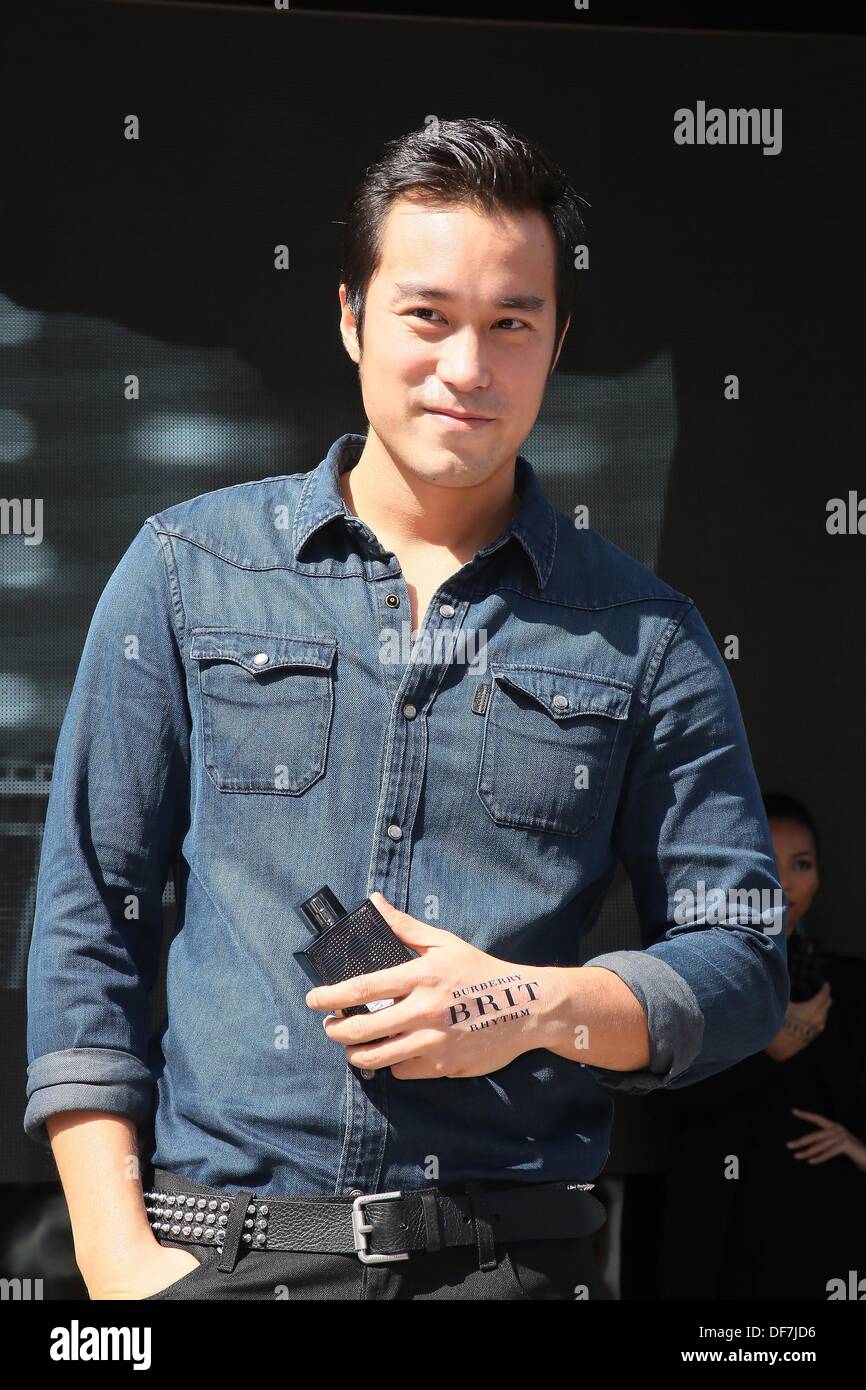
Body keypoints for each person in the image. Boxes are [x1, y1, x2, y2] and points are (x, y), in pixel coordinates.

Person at [23, 117, 788, 1302]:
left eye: (510, 324)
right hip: (218, 1255)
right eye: (427, 315)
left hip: (508, 1262)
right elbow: (87, 917)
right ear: (350, 316)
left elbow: (741, 957)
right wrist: (118, 1260)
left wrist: (534, 1006)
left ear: (556, 341)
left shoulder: (648, 636)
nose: (467, 367)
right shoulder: (185, 570)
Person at [661, 792, 866, 1300]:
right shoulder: (698, 972)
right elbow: (669, 1098)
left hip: (826, 1227)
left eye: (802, 864)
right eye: (770, 863)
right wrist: (769, 1044)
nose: (787, 881)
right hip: (717, 1226)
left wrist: (856, 1147)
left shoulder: (847, 983)